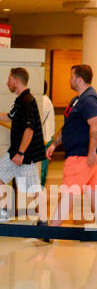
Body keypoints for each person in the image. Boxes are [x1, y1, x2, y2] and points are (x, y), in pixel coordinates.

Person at [50, 64, 97, 226]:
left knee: (69, 191)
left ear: (79, 80)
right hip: (81, 152)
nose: (69, 79)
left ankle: (51, 229)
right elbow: (68, 125)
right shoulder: (77, 100)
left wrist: (91, 152)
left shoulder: (90, 100)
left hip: (82, 154)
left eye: (72, 76)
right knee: (93, 191)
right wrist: (54, 144)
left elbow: (95, 127)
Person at [1, 67, 44, 223]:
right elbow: (9, 116)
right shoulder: (20, 101)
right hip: (15, 153)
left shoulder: (27, 101)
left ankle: (44, 221)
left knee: (35, 189)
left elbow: (29, 128)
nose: (7, 83)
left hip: (25, 155)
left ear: (16, 81)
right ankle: (3, 211)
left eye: (9, 79)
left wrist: (21, 153)